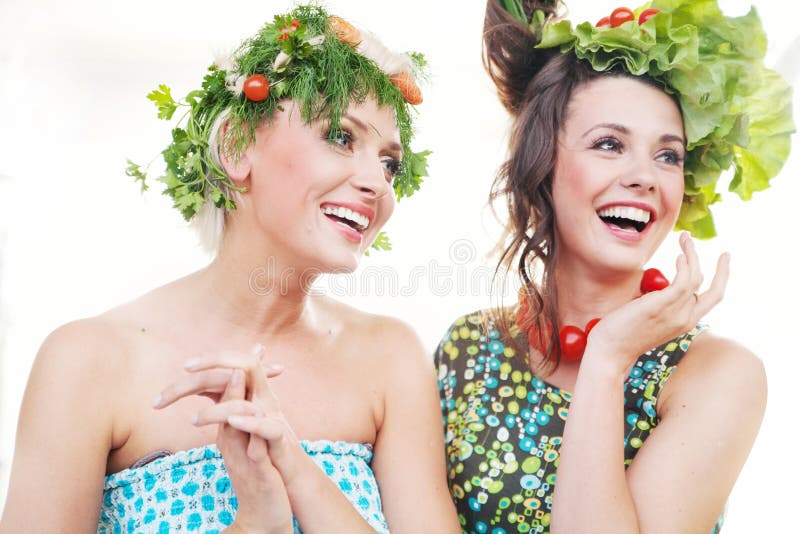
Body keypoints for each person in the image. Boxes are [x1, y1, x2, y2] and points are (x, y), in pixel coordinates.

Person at [0, 5, 459, 533]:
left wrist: (296, 470)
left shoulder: (392, 359)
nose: (378, 185)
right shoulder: (86, 363)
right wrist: (258, 521)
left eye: (388, 163)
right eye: (341, 136)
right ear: (238, 146)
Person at [436, 1, 793, 533]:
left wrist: (607, 360)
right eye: (609, 144)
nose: (646, 176)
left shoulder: (718, 373)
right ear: (542, 164)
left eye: (668, 155)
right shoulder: (467, 347)